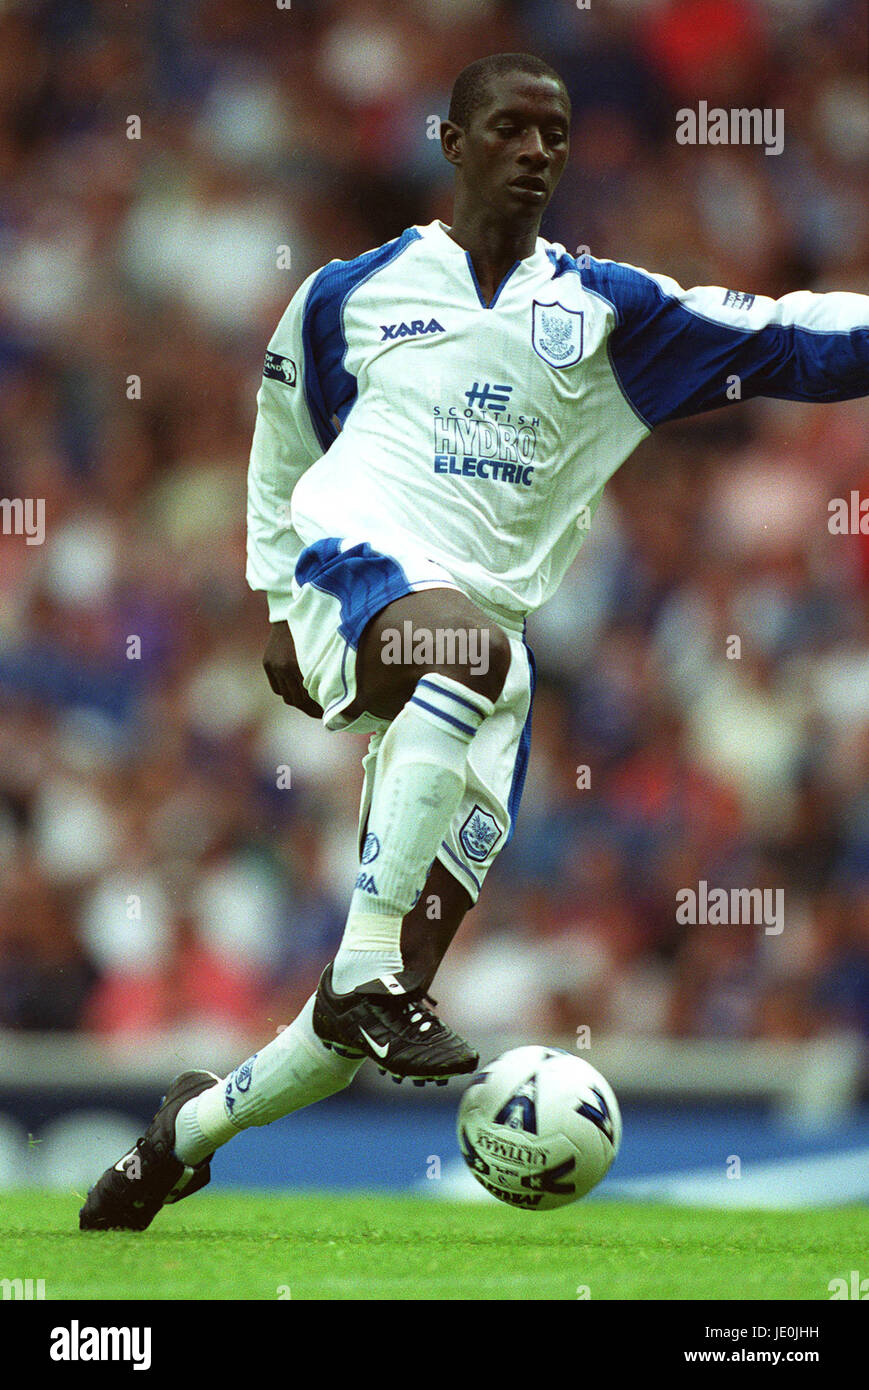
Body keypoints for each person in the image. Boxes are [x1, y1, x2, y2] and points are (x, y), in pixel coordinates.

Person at [80, 52, 869, 1231]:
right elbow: (282, 436)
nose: (536, 149)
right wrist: (270, 600)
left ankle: (183, 1135)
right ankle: (362, 970)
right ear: (451, 144)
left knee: (353, 1024)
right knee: (463, 676)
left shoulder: (606, 312)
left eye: (552, 131)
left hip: (481, 656)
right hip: (353, 573)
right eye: (508, 128)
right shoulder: (352, 291)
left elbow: (786, 335)